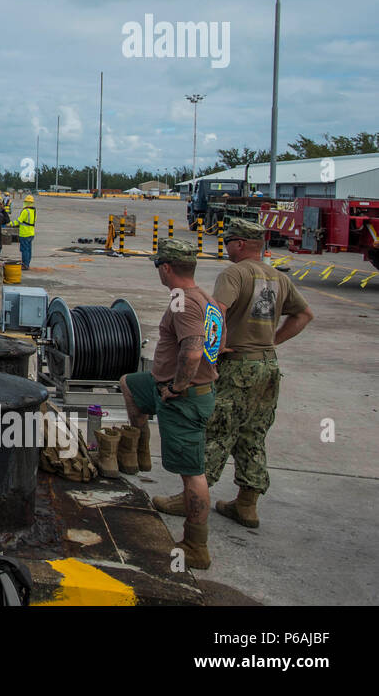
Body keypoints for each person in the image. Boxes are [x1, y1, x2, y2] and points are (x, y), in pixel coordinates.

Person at [156, 217, 312, 530]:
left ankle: (192, 497)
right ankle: (247, 504)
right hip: (267, 366)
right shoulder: (277, 277)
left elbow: (216, 315)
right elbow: (304, 315)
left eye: (228, 241)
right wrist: (270, 342)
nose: (226, 246)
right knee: (253, 432)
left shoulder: (234, 273)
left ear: (240, 244)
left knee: (216, 429)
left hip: (239, 366)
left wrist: (216, 350)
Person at [118, 239, 223, 569]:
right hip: (165, 388)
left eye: (158, 267)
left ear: (166, 268)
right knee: (129, 385)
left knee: (193, 474)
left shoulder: (184, 303)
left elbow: (192, 351)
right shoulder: (208, 300)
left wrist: (178, 387)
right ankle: (141, 451)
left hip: (183, 398)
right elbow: (218, 345)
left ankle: (195, 545)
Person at [17, 194, 36, 269]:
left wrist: (10, 223)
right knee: (29, 249)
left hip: (24, 233)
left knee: (24, 250)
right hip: (31, 233)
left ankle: (25, 265)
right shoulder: (33, 211)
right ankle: (27, 263)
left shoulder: (25, 211)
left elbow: (19, 220)